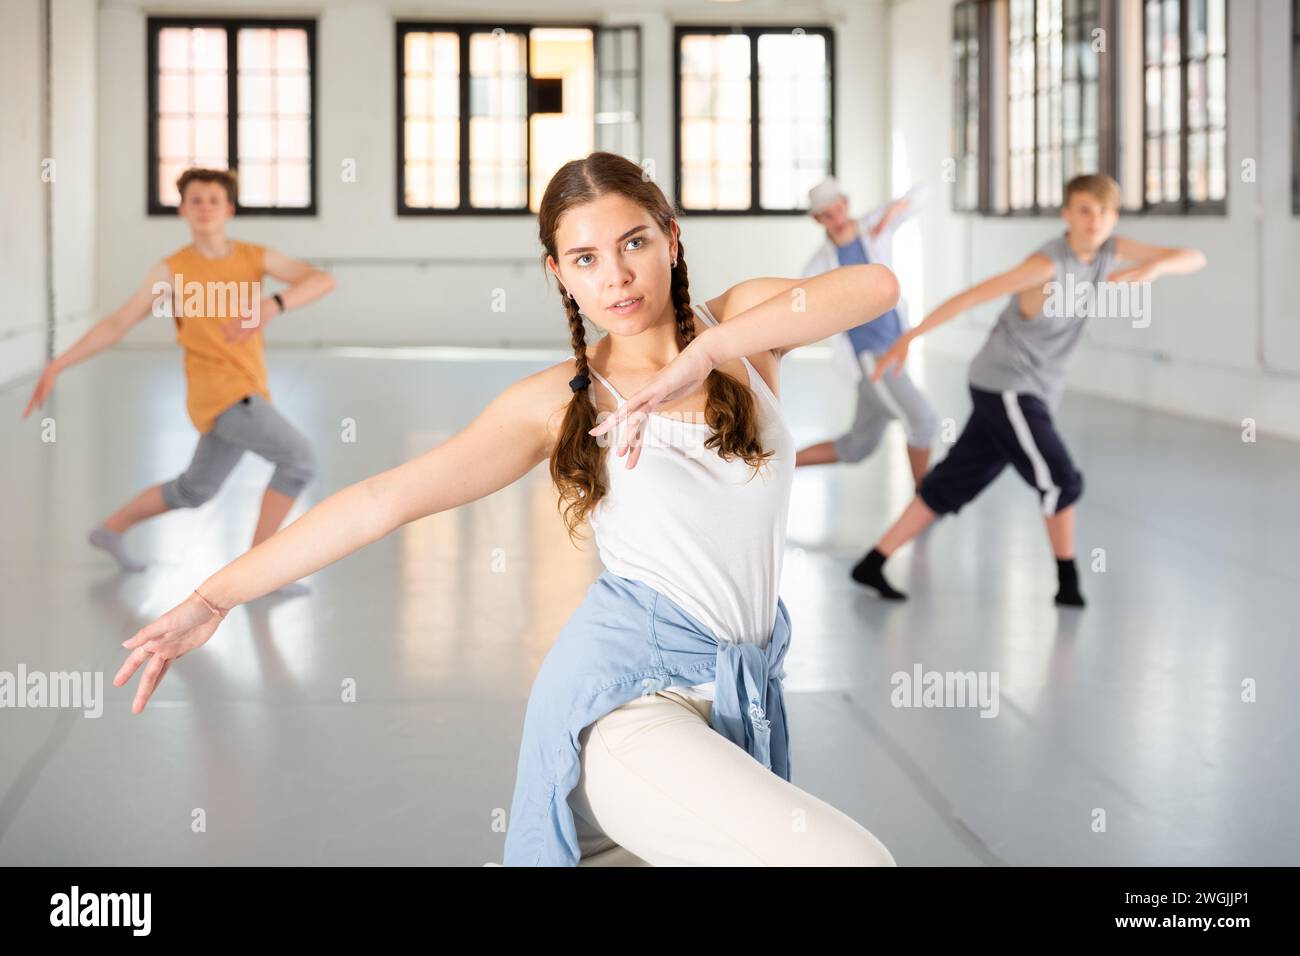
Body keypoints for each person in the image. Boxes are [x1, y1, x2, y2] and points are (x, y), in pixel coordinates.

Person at [112, 152, 902, 867]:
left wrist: (701, 352)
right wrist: (213, 596)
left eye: (633, 243)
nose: (616, 278)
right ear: (559, 273)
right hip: (629, 704)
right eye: (586, 259)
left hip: (737, 694)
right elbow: (379, 501)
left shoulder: (744, 331)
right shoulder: (561, 401)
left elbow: (874, 288)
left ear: (671, 236)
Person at [851, 173, 1207, 606]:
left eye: (1105, 212)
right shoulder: (1046, 265)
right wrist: (908, 338)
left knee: (952, 482)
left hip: (1028, 389)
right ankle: (1068, 583)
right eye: (1084, 210)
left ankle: (873, 560)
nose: (1095, 220)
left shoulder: (1111, 250)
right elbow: (971, 297)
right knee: (1060, 479)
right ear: (1066, 215)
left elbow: (1194, 258)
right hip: (1007, 385)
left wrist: (1154, 266)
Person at [22, 168, 336, 585]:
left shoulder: (254, 257)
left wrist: (274, 304)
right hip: (222, 395)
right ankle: (259, 572)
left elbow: (322, 279)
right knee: (298, 460)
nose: (205, 207)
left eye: (213, 200)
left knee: (195, 490)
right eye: (195, 200)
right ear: (183, 210)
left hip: (249, 386)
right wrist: (58, 363)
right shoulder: (171, 271)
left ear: (229, 209)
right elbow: (118, 324)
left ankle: (109, 529)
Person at [794, 177, 938, 490]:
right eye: (827, 214)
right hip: (871, 356)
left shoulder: (875, 226)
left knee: (857, 446)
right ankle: (925, 500)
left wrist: (892, 213)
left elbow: (925, 192)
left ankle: (781, 465)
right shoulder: (820, 264)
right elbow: (800, 304)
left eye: (839, 208)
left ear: (846, 203)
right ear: (818, 220)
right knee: (923, 422)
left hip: (895, 345)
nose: (837, 217)